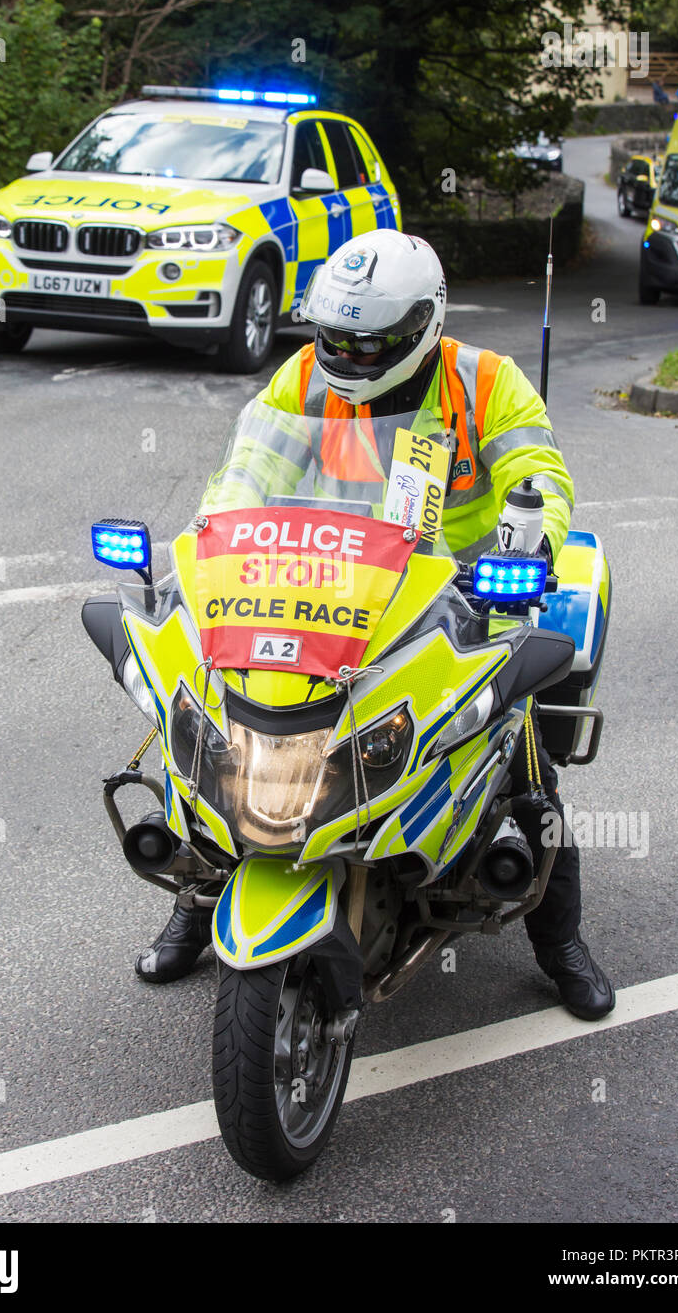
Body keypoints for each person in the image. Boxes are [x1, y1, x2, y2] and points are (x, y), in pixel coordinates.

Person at [135, 230, 615, 1022]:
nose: (352, 357)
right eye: (336, 339)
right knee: (222, 735)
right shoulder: (300, 377)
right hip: (325, 586)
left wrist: (519, 545)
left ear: (424, 322)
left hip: (458, 595)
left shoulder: (484, 380)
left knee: (523, 769)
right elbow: (244, 473)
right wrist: (210, 537)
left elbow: (541, 475)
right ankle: (196, 907)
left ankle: (560, 943)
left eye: (373, 342)